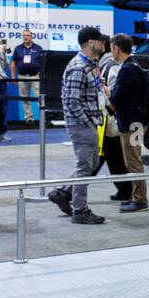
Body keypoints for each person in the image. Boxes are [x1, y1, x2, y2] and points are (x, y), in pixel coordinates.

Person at [49, 27, 107, 225]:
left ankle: (63, 192)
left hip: (88, 123)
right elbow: (72, 101)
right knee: (85, 167)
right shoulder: (78, 67)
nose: (103, 43)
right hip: (82, 125)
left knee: (89, 164)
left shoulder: (90, 65)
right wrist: (88, 122)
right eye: (100, 40)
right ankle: (80, 210)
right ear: (90, 42)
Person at [108, 34, 149, 212]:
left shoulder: (127, 70)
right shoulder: (134, 65)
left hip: (133, 124)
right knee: (134, 159)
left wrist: (109, 94)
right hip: (137, 122)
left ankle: (139, 200)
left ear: (116, 48)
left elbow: (117, 98)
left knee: (133, 161)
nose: (111, 52)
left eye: (111, 48)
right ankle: (136, 196)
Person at [95, 39, 133, 204]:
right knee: (107, 157)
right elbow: (115, 95)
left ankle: (125, 190)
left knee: (111, 157)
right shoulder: (115, 67)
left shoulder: (106, 66)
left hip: (107, 120)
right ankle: (67, 191)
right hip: (113, 120)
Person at [11, 29, 44, 124]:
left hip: (35, 77)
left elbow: (43, 63)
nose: (25, 37)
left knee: (40, 98)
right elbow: (13, 64)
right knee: (25, 98)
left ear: (31, 36)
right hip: (22, 77)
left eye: (27, 35)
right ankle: (28, 118)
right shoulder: (18, 48)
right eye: (24, 35)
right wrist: (13, 77)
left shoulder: (38, 48)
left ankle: (44, 119)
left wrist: (41, 73)